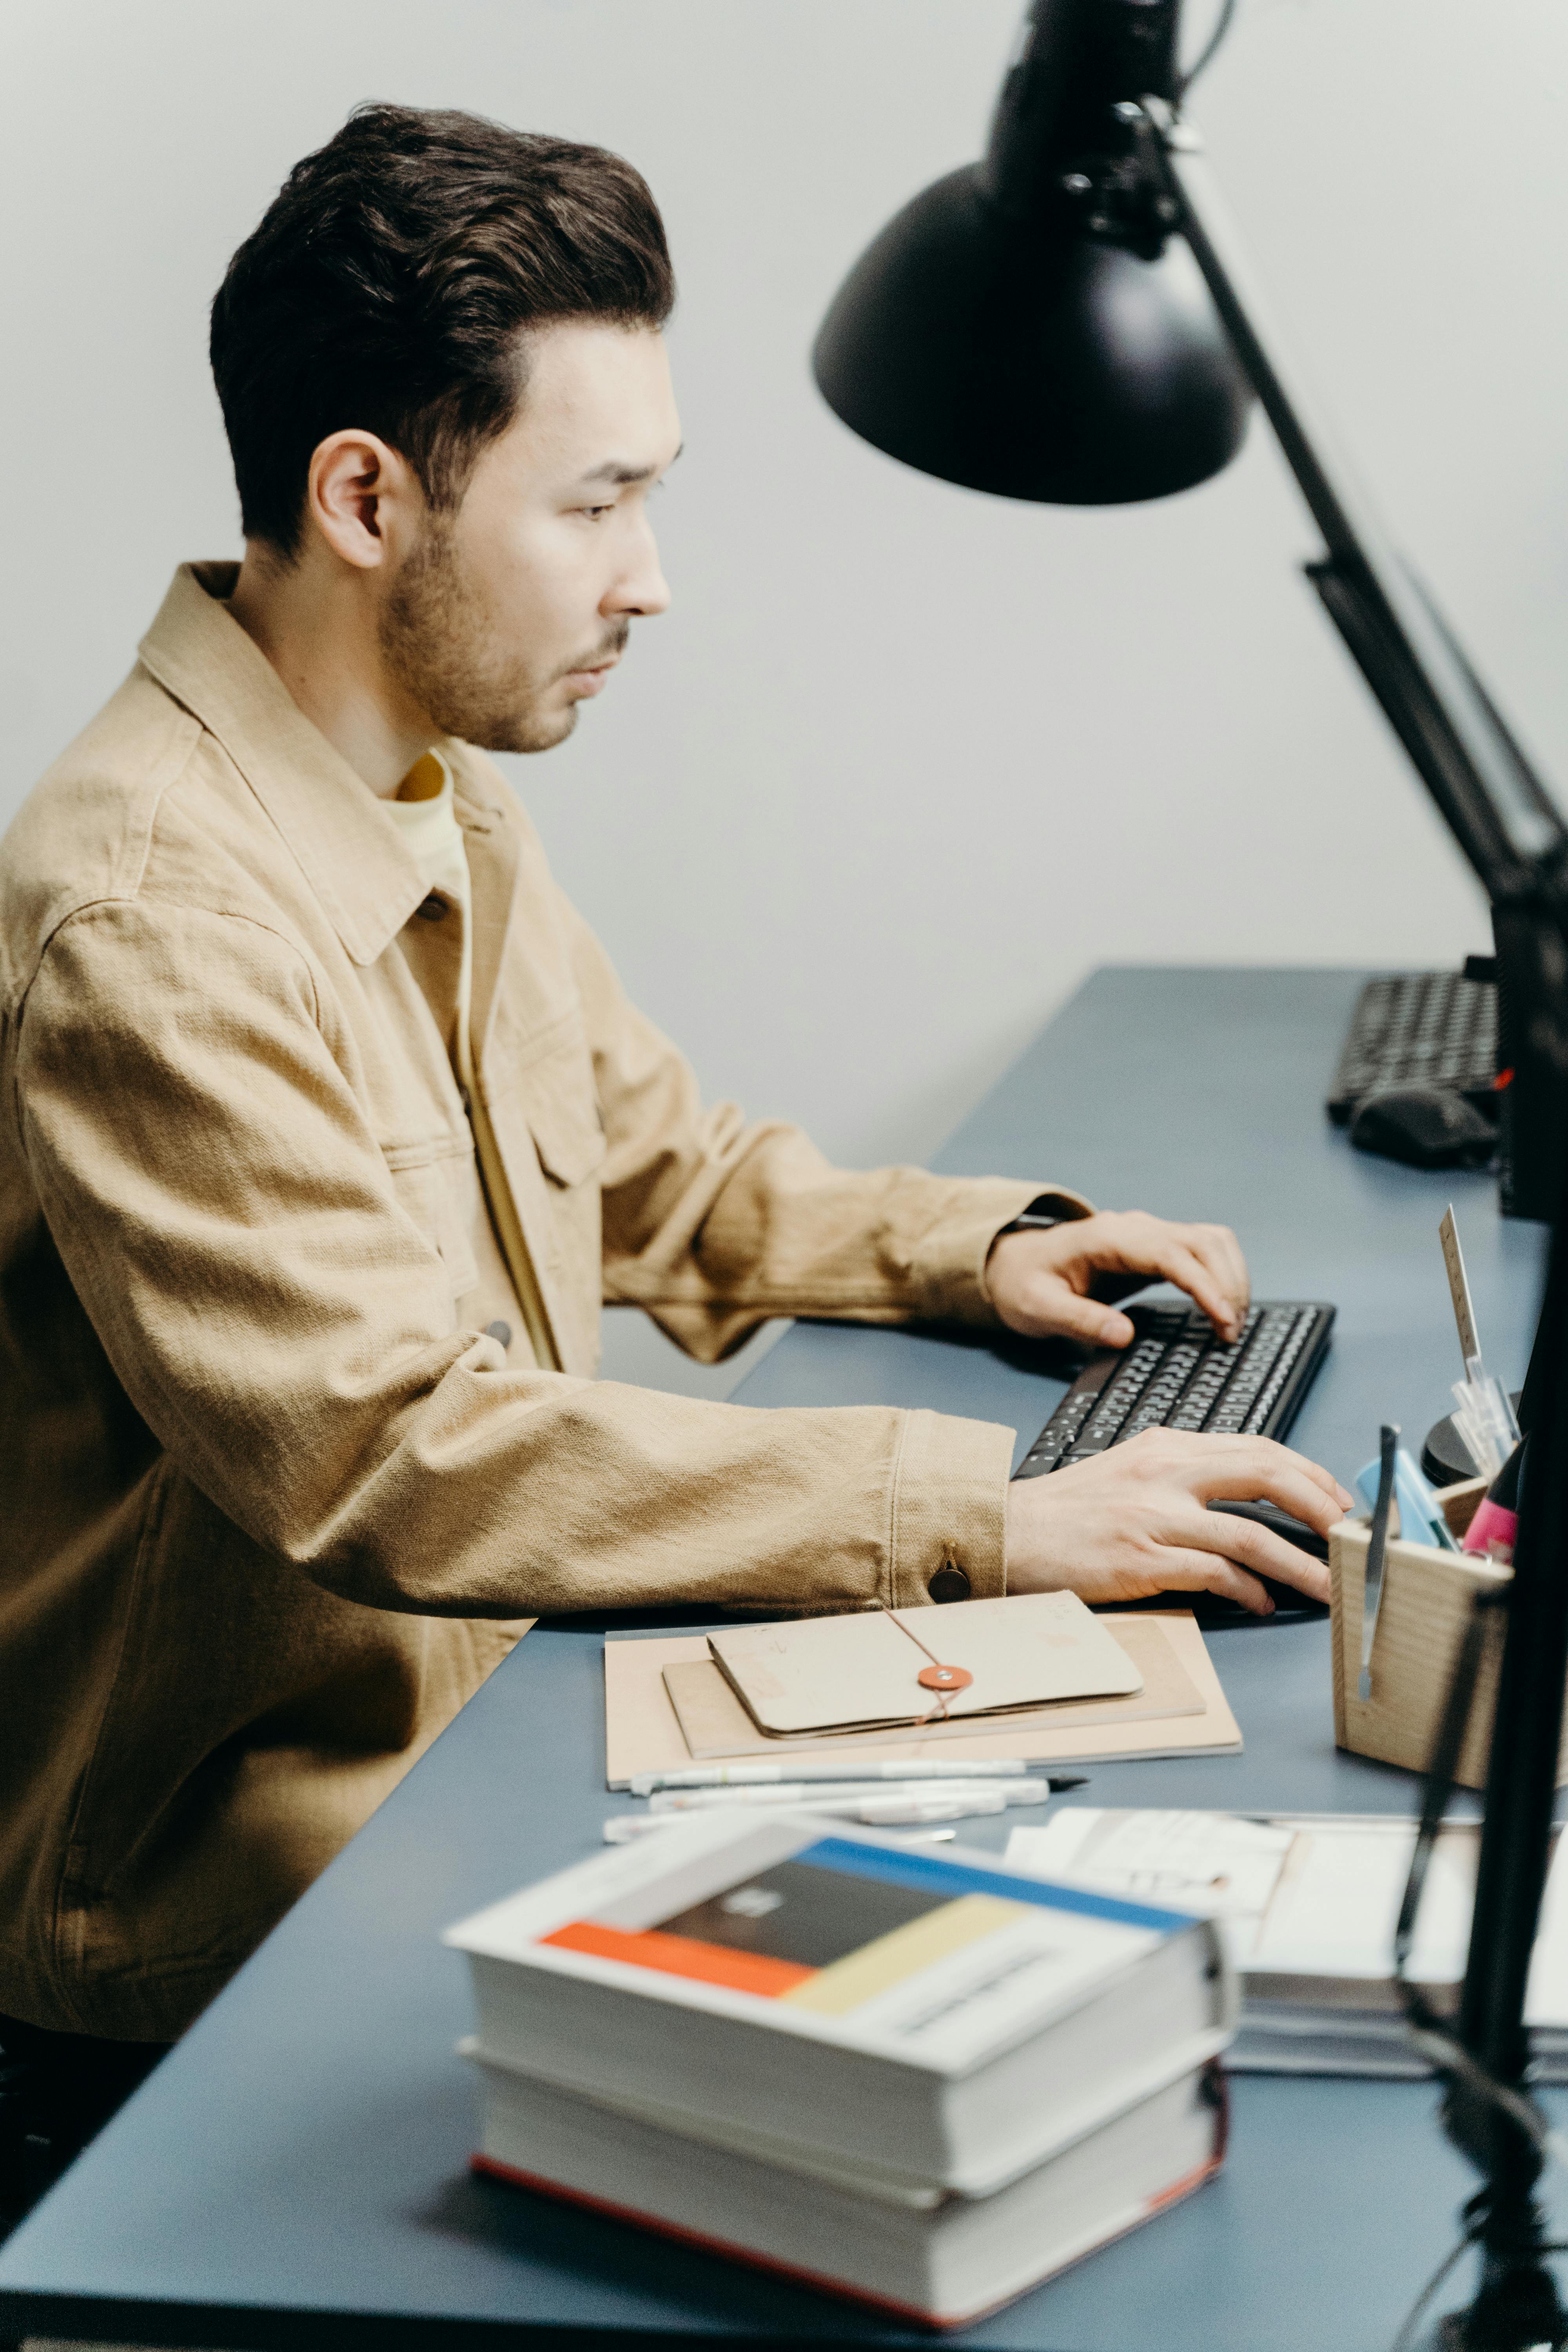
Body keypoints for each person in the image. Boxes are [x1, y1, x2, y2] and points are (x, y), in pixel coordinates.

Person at [0, 104, 1349, 2076]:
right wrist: (1003, 1497)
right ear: (368, 500)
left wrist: (979, 1248)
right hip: (227, 1921)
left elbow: (658, 1171)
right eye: (596, 501)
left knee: (1104, 1896)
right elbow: (393, 1452)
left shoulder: (434, 789)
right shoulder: (146, 919)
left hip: (502, 1725)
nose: (651, 581)